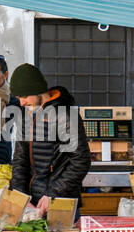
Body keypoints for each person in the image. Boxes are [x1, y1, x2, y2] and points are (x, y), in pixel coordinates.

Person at [7, 63, 91, 212]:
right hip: (32, 204)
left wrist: (52, 195)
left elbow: (80, 161)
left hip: (61, 204)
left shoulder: (65, 115)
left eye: (25, 96)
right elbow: (20, 159)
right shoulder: (25, 115)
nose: (21, 102)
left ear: (38, 90)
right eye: (18, 98)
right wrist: (21, 196)